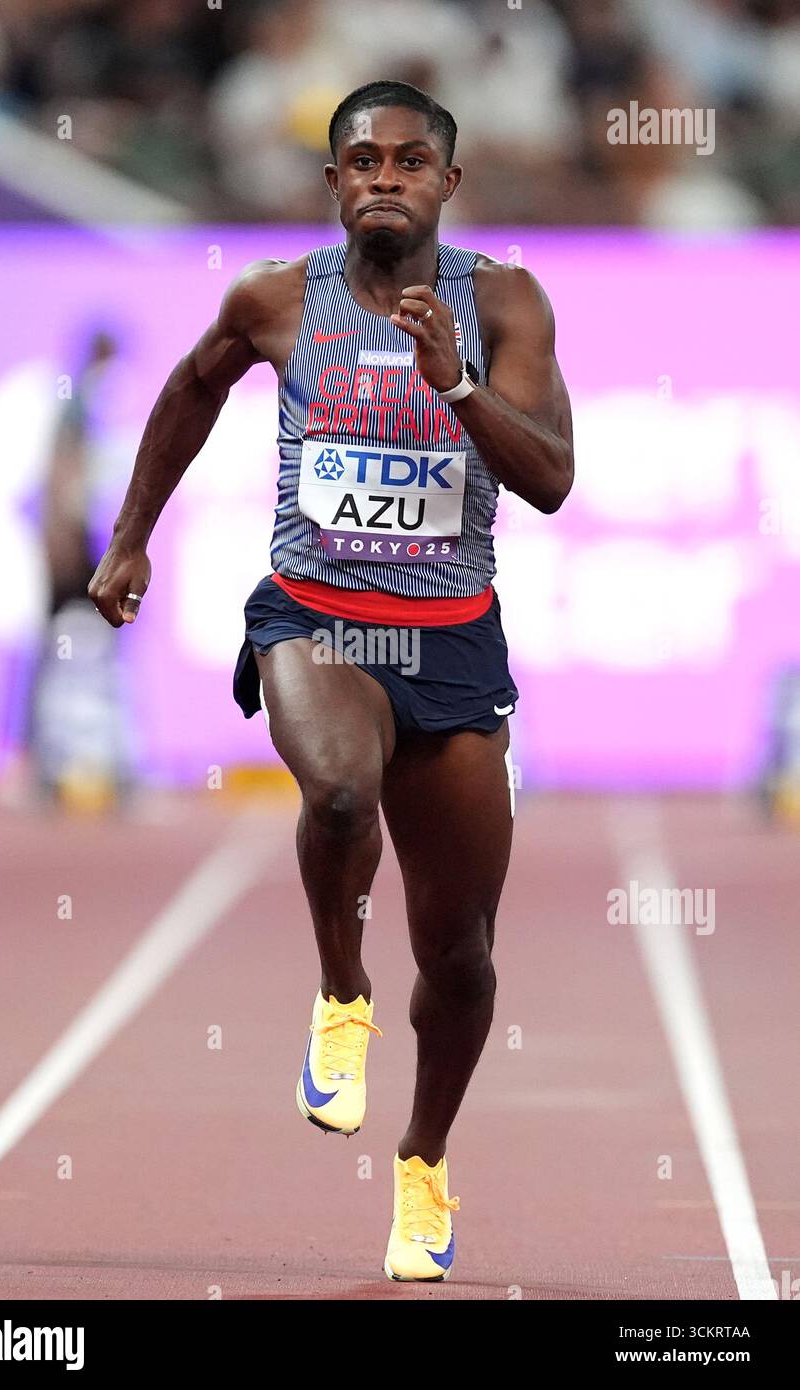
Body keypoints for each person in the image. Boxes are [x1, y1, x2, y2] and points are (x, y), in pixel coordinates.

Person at [89, 79, 574, 1283]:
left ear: (448, 186)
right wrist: (131, 532)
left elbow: (555, 477)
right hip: (318, 614)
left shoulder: (504, 302)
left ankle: (422, 1161)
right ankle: (341, 991)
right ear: (333, 183)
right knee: (342, 797)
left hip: (454, 638)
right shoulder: (273, 301)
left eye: (412, 162)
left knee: (460, 953)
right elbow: (192, 389)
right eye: (363, 162)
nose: (385, 178)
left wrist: (459, 383)